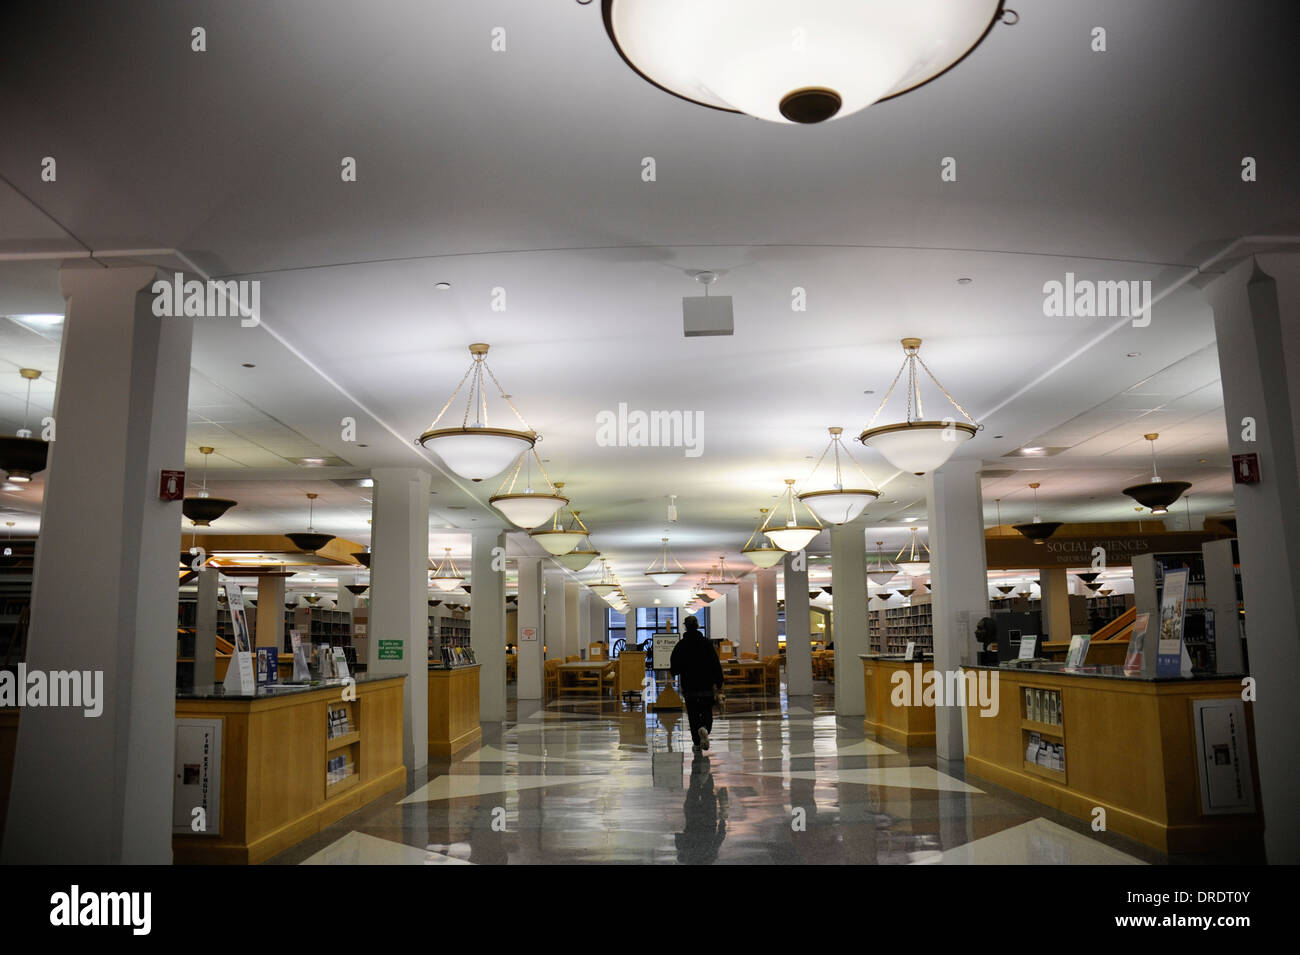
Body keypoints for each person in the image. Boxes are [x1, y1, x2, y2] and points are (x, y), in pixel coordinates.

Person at [669, 616, 724, 752]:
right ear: (698, 626)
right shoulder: (707, 643)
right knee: (706, 711)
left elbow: (674, 665)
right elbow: (715, 663)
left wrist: (675, 672)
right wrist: (719, 681)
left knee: (693, 715)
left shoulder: (681, 645)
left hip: (689, 686)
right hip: (706, 685)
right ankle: (705, 728)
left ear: (685, 626)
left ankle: (697, 743)